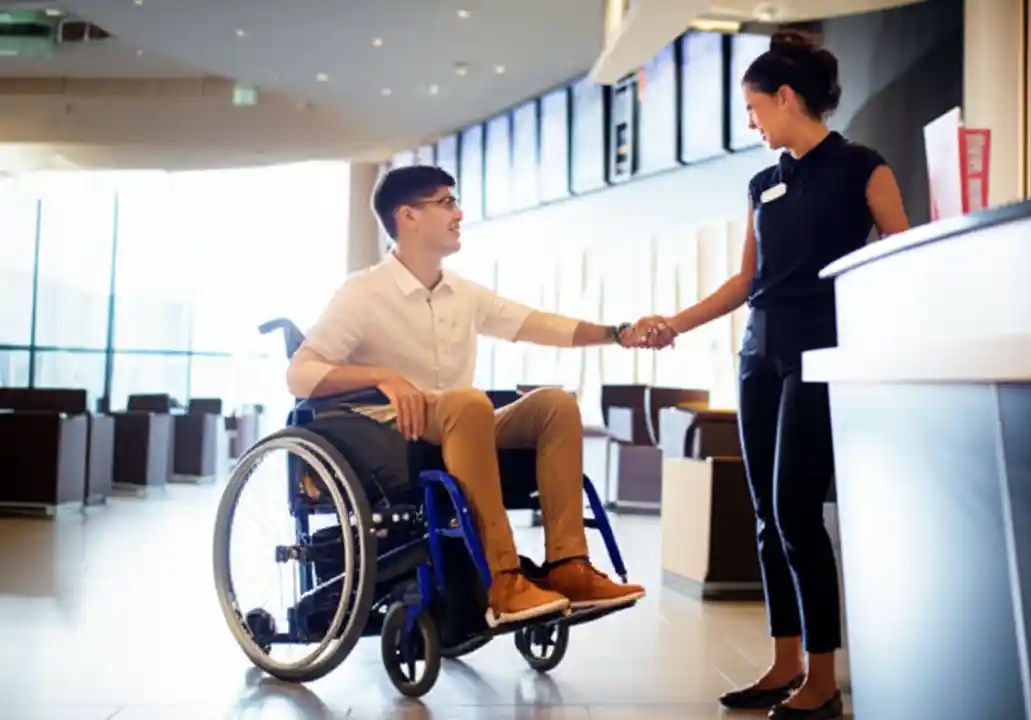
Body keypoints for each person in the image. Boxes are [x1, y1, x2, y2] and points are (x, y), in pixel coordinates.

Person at [633, 30, 909, 720]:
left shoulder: (863, 168)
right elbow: (746, 279)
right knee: (764, 516)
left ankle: (822, 675)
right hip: (758, 352)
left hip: (821, 350)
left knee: (794, 510)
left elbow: (899, 258)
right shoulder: (763, 182)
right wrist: (678, 321)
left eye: (754, 109)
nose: (750, 123)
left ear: (787, 98)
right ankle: (783, 660)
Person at [286, 165, 647, 628]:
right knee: (468, 401)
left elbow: (539, 324)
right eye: (445, 203)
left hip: (464, 421)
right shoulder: (363, 293)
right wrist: (383, 377)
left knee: (554, 403)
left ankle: (569, 567)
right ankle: (502, 580)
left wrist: (618, 333)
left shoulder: (463, 293)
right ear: (407, 216)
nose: (458, 213)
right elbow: (300, 374)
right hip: (390, 432)